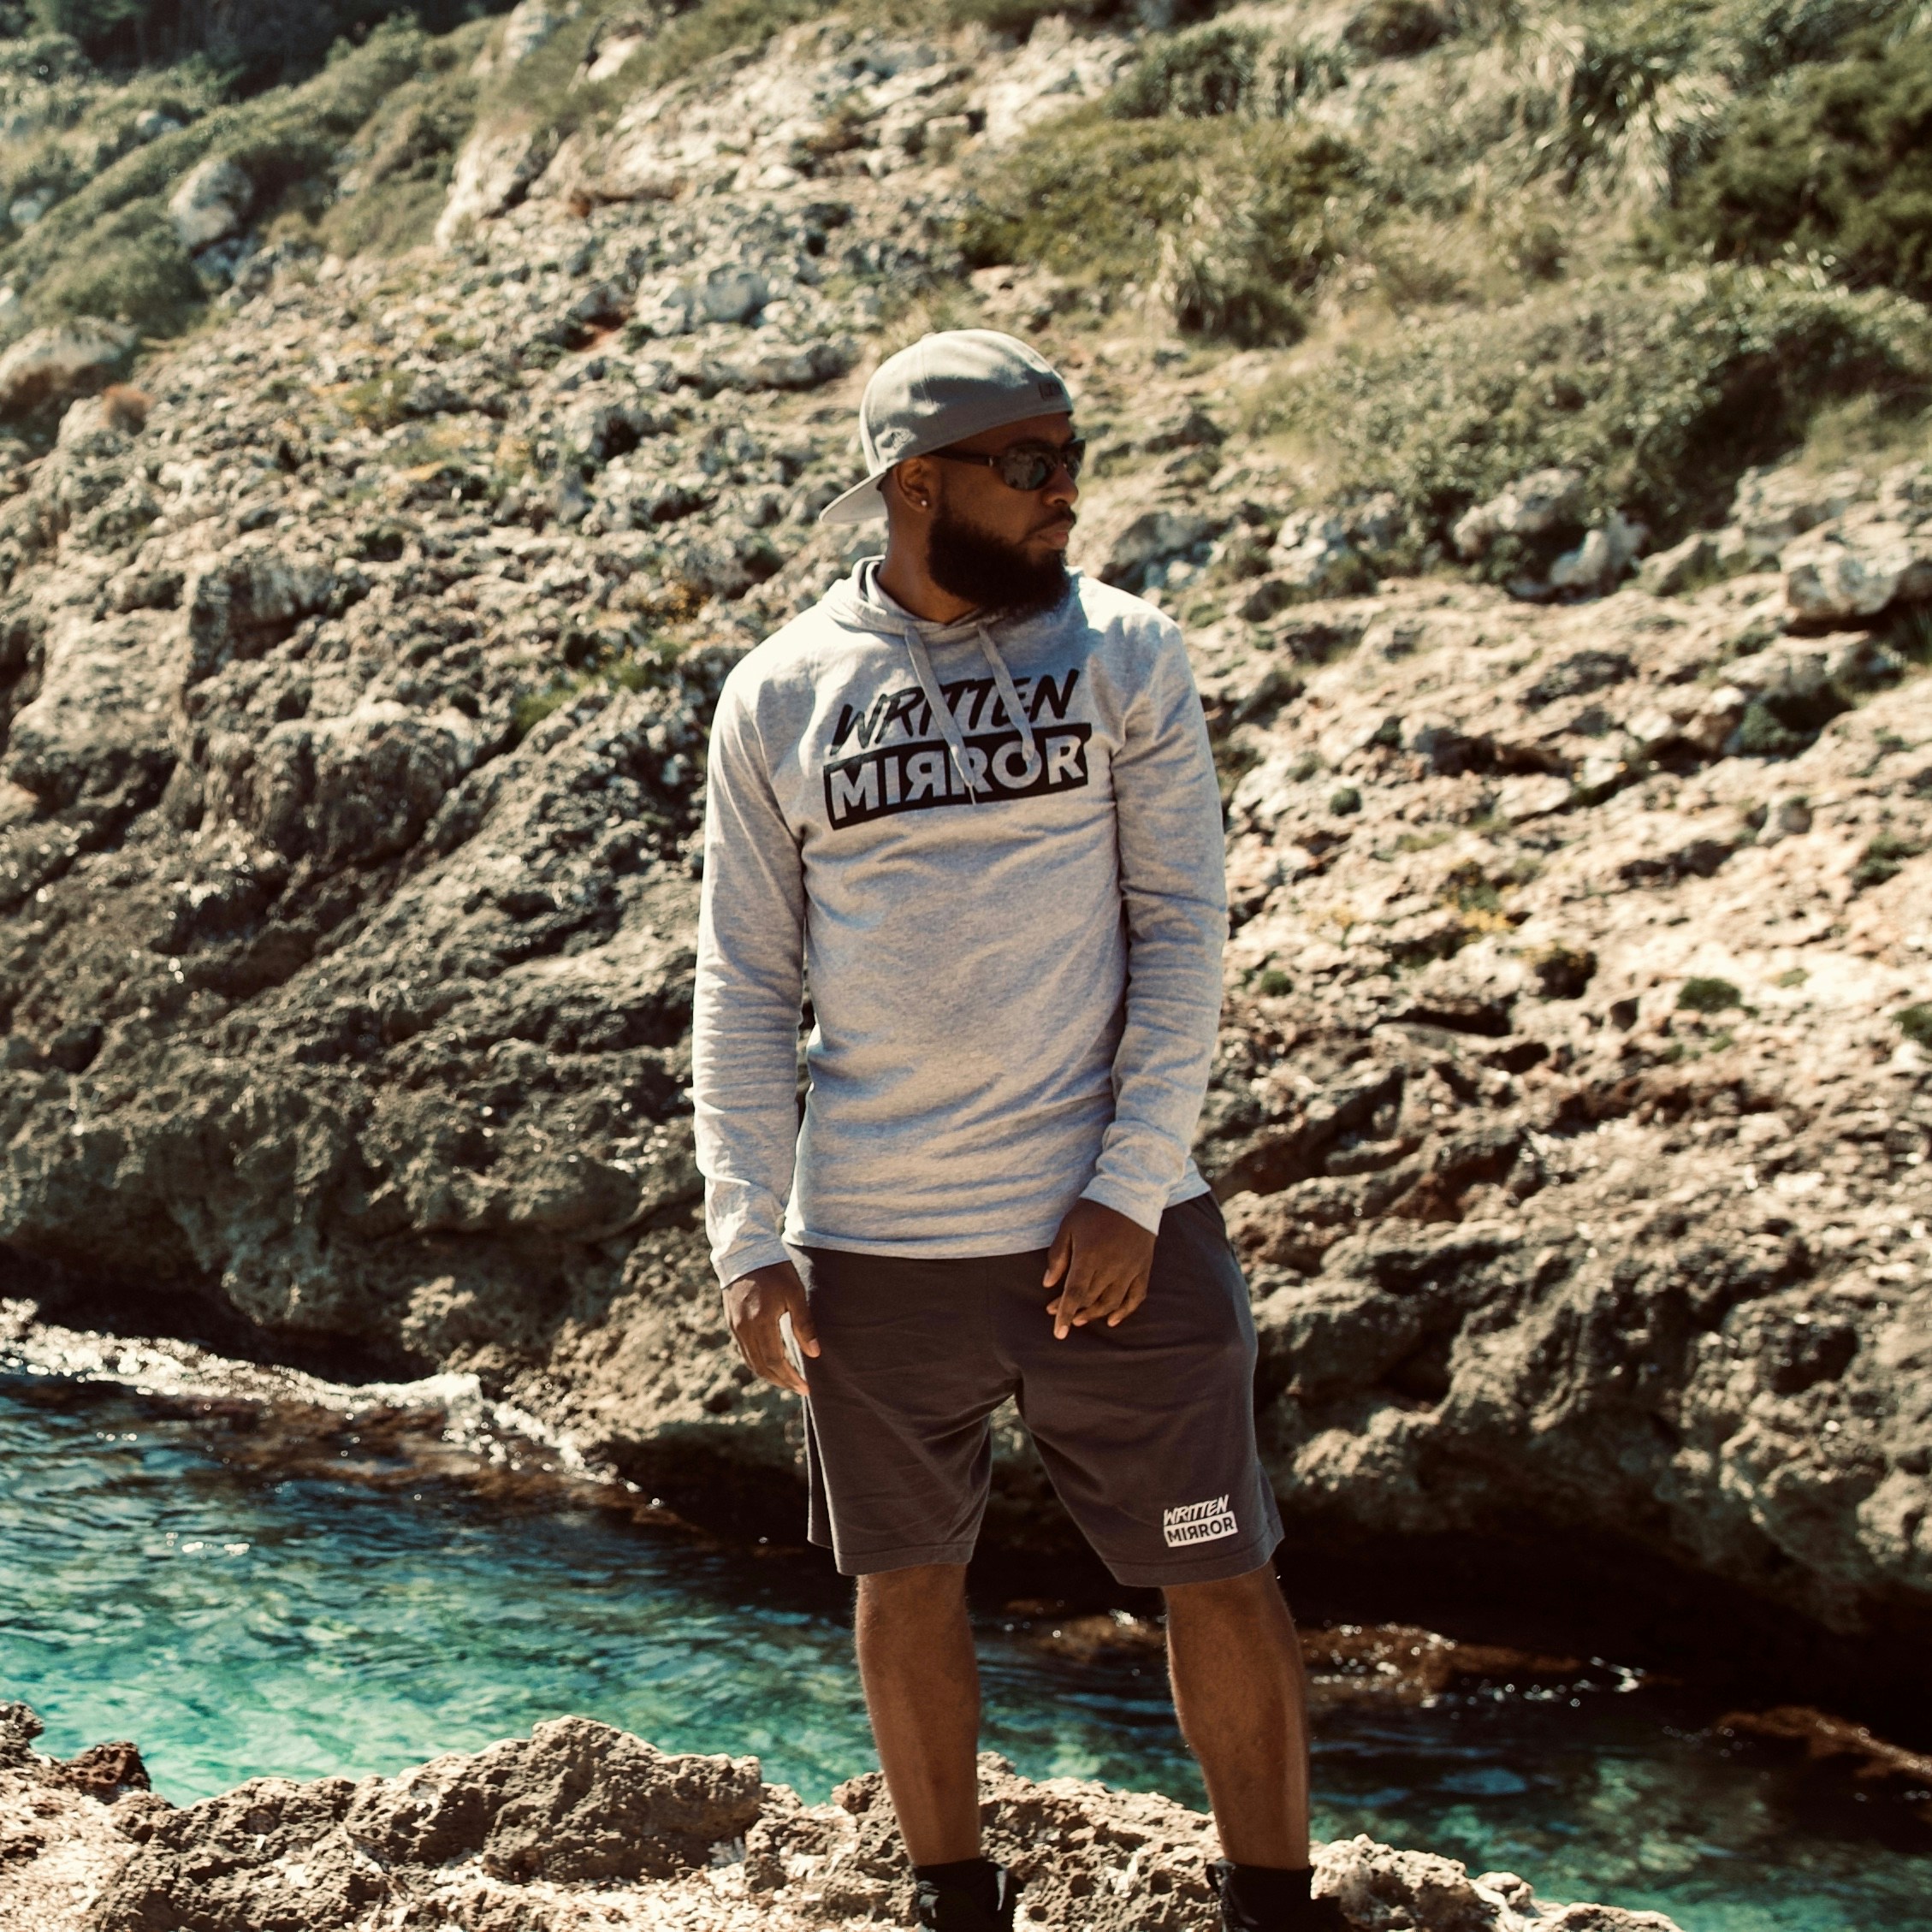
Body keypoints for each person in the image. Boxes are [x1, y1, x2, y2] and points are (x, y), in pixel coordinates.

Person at [692, 330, 1342, 1932]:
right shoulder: (779, 693)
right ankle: (952, 1902)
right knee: (903, 1575)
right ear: (918, 484)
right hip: (874, 1242)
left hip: (1119, 1232)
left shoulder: (1126, 653)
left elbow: (1182, 930)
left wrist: (1130, 1187)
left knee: (1220, 1565)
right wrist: (747, 1235)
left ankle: (1272, 1910)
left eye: (1072, 460)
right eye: (1032, 465)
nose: (1066, 496)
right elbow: (745, 982)